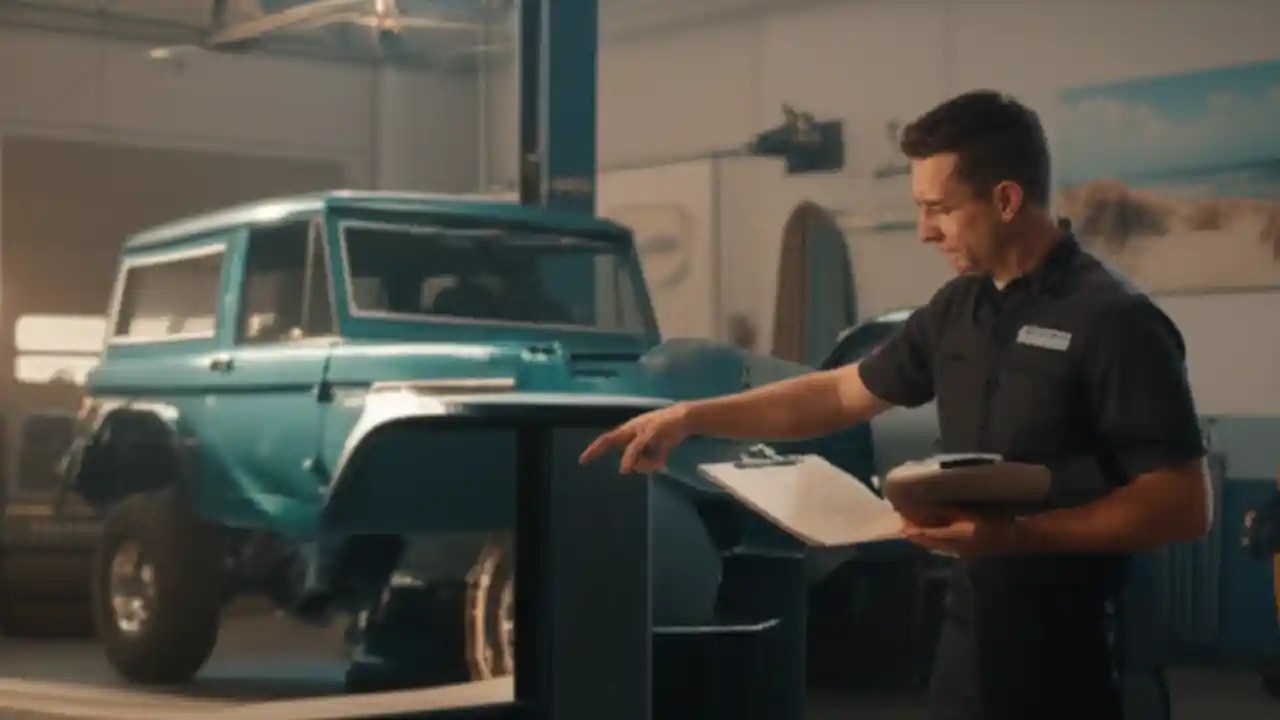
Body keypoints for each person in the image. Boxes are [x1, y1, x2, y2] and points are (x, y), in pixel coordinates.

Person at [579, 89, 1211, 720]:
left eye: (939, 209)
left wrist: (1018, 536)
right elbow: (837, 393)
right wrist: (691, 417)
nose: (924, 231)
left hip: (1075, 657)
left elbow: (1183, 505)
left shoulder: (1115, 321)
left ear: (1006, 200)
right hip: (966, 650)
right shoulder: (956, 310)